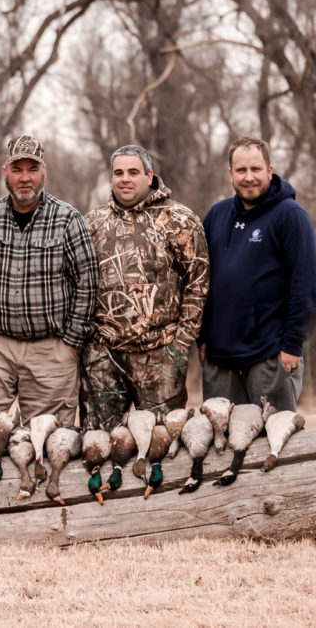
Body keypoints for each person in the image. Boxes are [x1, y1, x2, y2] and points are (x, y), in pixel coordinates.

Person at [0, 134, 98, 428]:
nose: (25, 178)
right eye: (17, 169)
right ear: (5, 172)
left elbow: (87, 282)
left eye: (32, 169)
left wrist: (71, 344)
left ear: (44, 171)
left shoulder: (68, 219)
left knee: (47, 442)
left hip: (50, 350)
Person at [81, 144, 209, 429]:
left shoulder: (180, 220)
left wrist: (181, 343)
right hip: (103, 356)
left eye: (133, 172)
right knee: (97, 443)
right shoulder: (92, 223)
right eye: (118, 173)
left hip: (161, 355)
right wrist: (90, 340)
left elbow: (197, 284)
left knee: (161, 442)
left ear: (149, 176)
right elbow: (79, 284)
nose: (125, 179)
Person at [200, 136, 316, 411]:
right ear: (230, 174)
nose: (249, 177)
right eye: (241, 170)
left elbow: (306, 285)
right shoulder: (216, 216)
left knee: (274, 433)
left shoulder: (290, 215)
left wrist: (293, 344)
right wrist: (203, 338)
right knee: (221, 435)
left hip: (270, 355)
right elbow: (201, 282)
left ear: (269, 170)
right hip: (219, 359)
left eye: (255, 169)